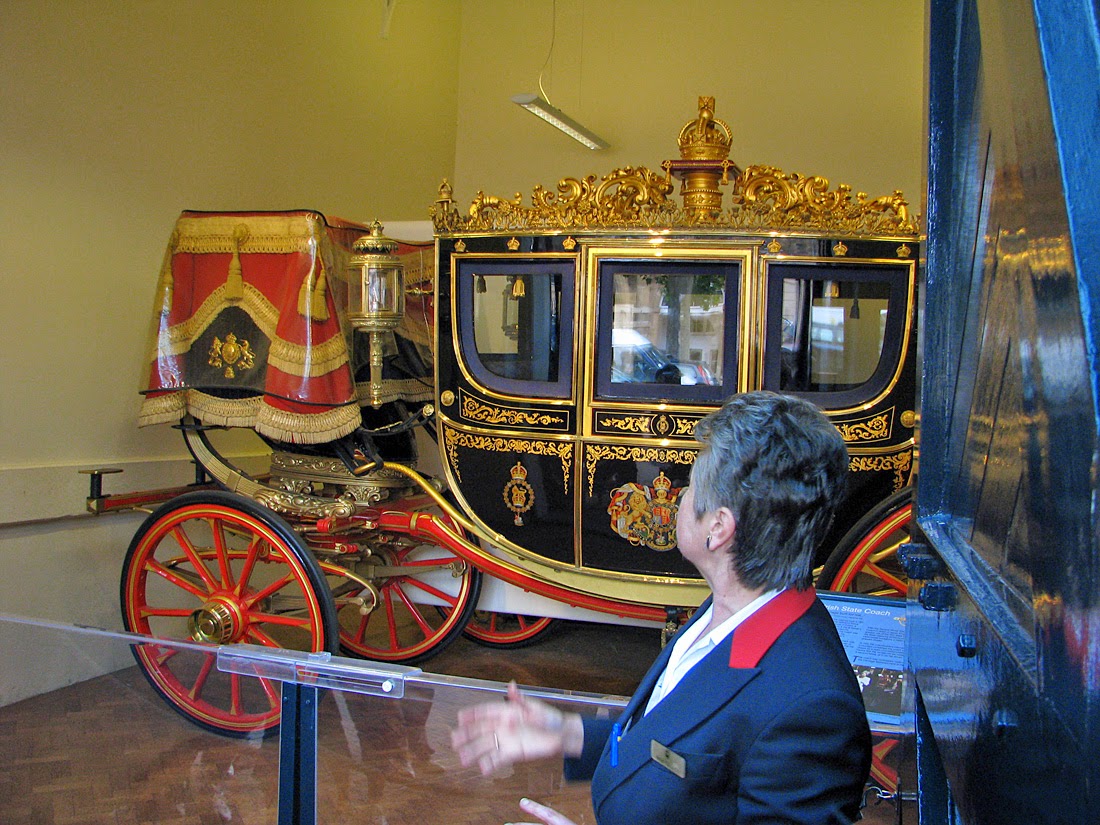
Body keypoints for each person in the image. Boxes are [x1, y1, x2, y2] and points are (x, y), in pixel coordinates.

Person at [451, 391, 871, 825]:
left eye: (691, 486)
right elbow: (677, 753)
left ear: (718, 529)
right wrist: (569, 733)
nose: (683, 495)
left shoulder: (813, 710)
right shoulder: (732, 607)